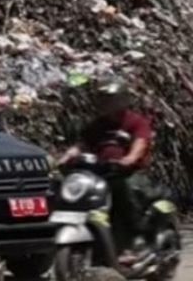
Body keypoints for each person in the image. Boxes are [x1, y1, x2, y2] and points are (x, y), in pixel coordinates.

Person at [58, 79, 155, 257]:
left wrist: (129, 158)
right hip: (101, 173)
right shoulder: (97, 125)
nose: (105, 103)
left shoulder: (135, 122)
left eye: (110, 99)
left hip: (128, 173)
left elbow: (141, 143)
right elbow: (82, 144)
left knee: (125, 191)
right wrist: (67, 157)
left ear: (122, 100)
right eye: (103, 99)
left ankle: (135, 239)